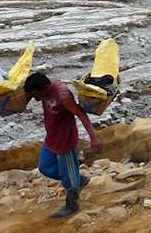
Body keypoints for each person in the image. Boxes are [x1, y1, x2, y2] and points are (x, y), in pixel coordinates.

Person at [23, 71, 102, 218]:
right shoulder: (44, 88)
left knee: (69, 179)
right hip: (52, 136)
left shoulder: (63, 96)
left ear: (44, 89)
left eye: (35, 95)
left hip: (65, 139)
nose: (34, 99)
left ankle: (72, 203)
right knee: (45, 167)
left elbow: (81, 114)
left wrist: (93, 138)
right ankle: (78, 179)